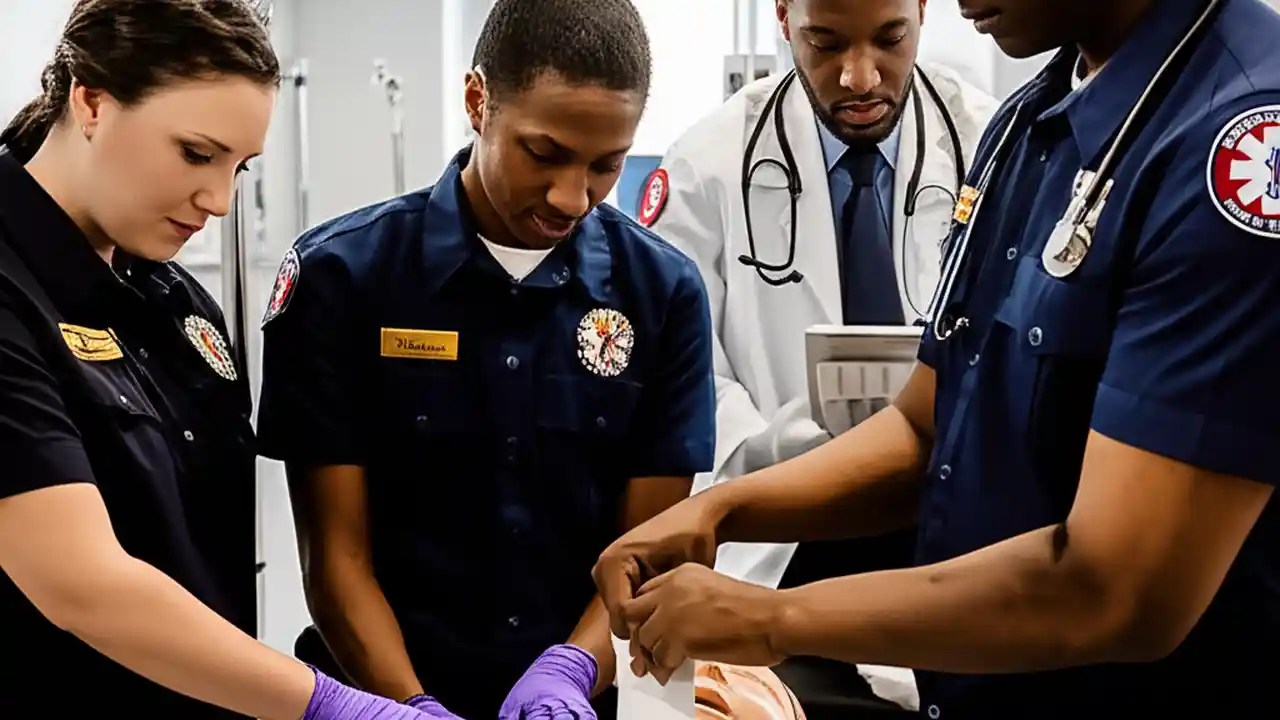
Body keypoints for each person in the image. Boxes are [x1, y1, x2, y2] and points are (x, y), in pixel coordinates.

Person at [594, 0, 1280, 717]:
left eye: (893, 35)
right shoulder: (1033, 124)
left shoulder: (1239, 147)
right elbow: (929, 427)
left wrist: (773, 620)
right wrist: (723, 510)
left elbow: (1117, 589)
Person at [254, 0, 715, 718]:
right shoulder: (343, 278)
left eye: (605, 166)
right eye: (545, 153)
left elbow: (644, 552)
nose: (572, 197)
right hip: (384, 693)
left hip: (581, 698)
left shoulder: (662, 293)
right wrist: (407, 705)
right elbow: (335, 559)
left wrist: (570, 672)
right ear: (478, 101)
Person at [0, 1, 457, 718]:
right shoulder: (12, 295)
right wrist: (329, 704)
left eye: (240, 167)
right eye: (195, 153)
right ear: (91, 101)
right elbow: (79, 583)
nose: (219, 200)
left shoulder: (180, 306)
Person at [640, 0, 995, 713]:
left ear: (923, 10)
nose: (859, 76)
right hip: (784, 535)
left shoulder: (991, 142)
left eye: (891, 39)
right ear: (781, 17)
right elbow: (681, 374)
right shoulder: (707, 164)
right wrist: (796, 453)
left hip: (953, 528)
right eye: (824, 43)